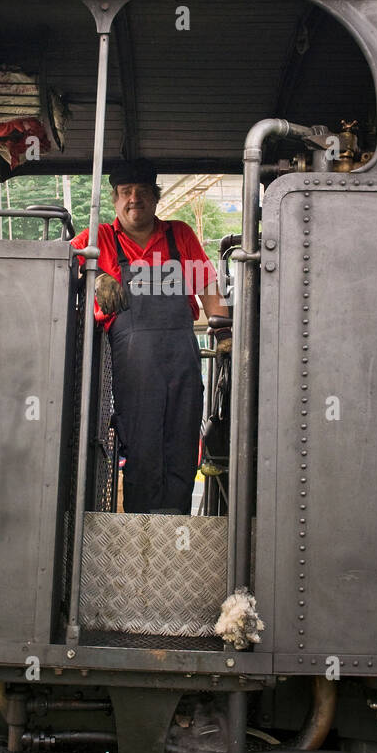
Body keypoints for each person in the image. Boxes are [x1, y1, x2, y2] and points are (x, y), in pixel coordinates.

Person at [71, 160, 231, 514]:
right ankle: (142, 533)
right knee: (142, 447)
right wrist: (93, 276)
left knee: (183, 441)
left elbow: (206, 285)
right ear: (115, 200)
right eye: (126, 193)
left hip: (182, 357)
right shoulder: (96, 240)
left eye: (142, 193)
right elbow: (60, 266)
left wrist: (223, 328)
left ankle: (177, 527)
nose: (134, 200)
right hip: (134, 363)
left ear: (155, 199)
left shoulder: (179, 234)